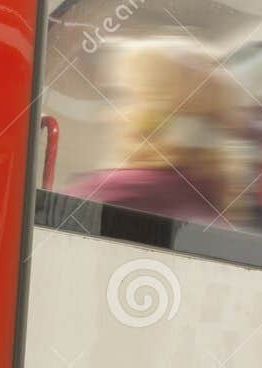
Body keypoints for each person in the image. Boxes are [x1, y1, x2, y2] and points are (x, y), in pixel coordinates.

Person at [63, 37, 247, 227]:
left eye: (126, 97)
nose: (108, 115)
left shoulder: (114, 194)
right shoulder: (213, 200)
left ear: (156, 118)